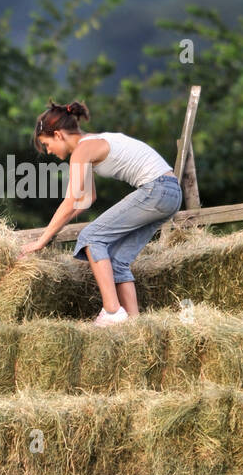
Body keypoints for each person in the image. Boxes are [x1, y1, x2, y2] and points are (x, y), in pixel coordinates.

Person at [20, 100, 183, 324]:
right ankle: (134, 327)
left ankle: (112, 311)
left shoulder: (82, 150)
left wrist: (41, 240)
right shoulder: (90, 144)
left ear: (58, 135)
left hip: (157, 189)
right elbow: (86, 200)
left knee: (91, 237)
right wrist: (58, 225)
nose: (49, 151)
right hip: (170, 193)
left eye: (47, 145)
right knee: (117, 261)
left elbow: (70, 202)